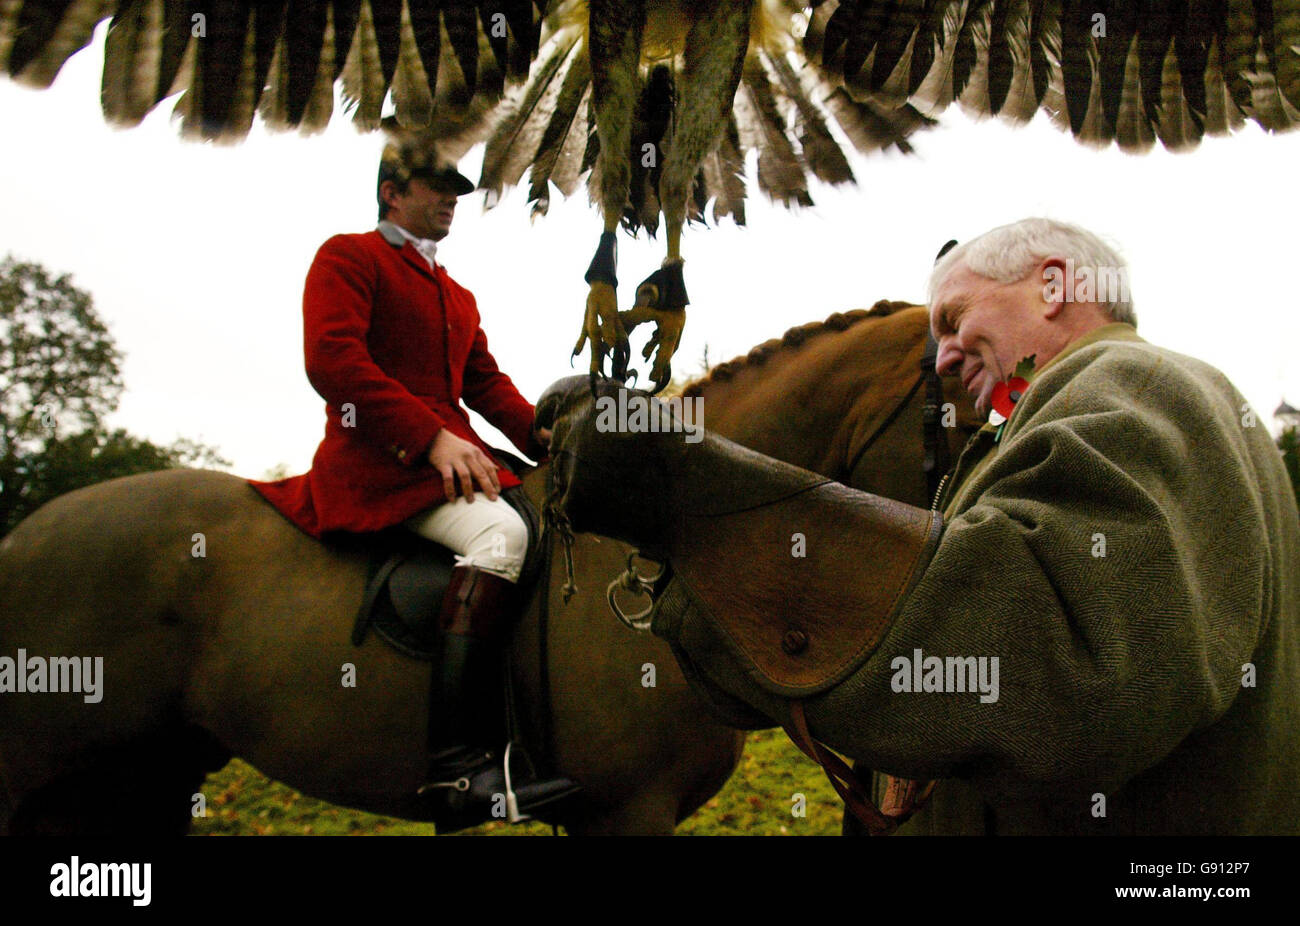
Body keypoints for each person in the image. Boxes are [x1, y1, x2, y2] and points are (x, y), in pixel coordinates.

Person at [651, 216, 1300, 834]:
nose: (942, 360)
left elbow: (1056, 676)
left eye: (954, 320)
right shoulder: (1108, 401)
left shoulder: (1121, 383)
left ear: (1054, 287)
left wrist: (705, 534)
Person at [249, 137, 578, 821]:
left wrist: (545, 440)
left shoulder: (453, 291)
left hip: (451, 458)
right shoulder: (349, 256)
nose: (453, 198)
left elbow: (485, 383)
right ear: (392, 192)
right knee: (500, 539)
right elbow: (332, 359)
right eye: (437, 186)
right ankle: (457, 769)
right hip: (377, 465)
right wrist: (428, 437)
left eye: (458, 188)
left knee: (551, 522)